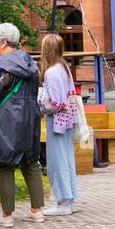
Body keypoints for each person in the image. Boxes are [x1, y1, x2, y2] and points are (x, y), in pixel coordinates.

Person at [0, 23, 45, 227]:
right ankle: (37, 211)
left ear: (3, 41)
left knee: (5, 165)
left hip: (6, 120)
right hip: (30, 118)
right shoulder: (31, 63)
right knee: (31, 163)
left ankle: (6, 216)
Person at [38, 34, 79, 217]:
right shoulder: (64, 68)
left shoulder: (51, 72)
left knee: (57, 161)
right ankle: (68, 198)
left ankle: (62, 200)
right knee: (67, 159)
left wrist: (40, 107)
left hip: (57, 121)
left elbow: (56, 103)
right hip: (68, 119)